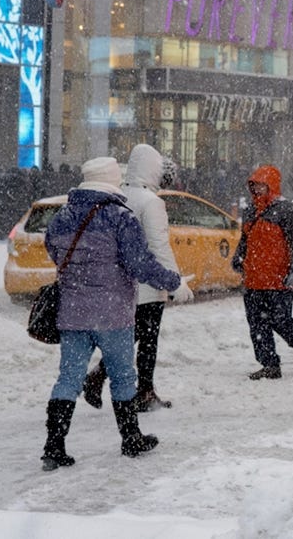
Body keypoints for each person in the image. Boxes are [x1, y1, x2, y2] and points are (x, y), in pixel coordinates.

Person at [39, 156, 182, 470]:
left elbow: (53, 250)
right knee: (122, 377)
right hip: (113, 314)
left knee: (68, 379)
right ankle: (130, 438)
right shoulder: (119, 217)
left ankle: (54, 446)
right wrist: (172, 282)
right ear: (111, 179)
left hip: (73, 312)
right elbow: (139, 264)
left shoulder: (63, 216)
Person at [83, 146, 194, 412]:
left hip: (123, 284)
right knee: (147, 340)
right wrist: (175, 282)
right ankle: (143, 391)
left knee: (127, 337)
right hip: (148, 284)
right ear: (153, 170)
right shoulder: (151, 202)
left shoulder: (119, 196)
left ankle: (99, 377)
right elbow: (159, 246)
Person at [231, 165, 293, 380]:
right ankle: (269, 364)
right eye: (254, 185)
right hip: (254, 278)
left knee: (280, 319)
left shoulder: (286, 211)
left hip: (279, 279)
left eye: (261, 185)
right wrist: (239, 257)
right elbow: (246, 239)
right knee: (257, 324)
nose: (257, 189)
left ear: (272, 185)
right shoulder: (250, 211)